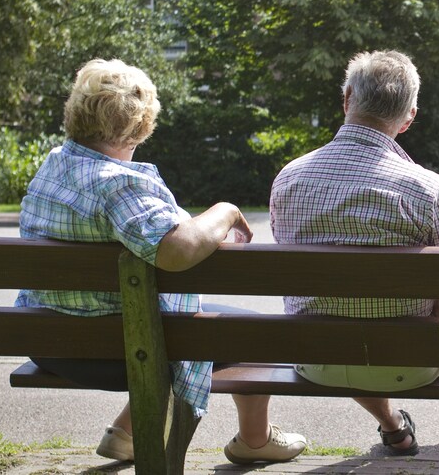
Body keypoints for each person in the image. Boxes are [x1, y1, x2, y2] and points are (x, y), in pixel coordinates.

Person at [17, 59, 306, 465]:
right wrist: (224, 210)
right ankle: (254, 441)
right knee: (251, 333)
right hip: (114, 351)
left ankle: (126, 432)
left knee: (176, 324)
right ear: (141, 126)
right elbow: (176, 250)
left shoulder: (54, 167)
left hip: (49, 340)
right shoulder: (118, 184)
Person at [269, 50, 439, 475]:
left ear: (347, 99)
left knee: (337, 315)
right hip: (411, 363)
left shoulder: (290, 177)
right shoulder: (427, 189)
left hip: (316, 359)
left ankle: (393, 427)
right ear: (408, 117)